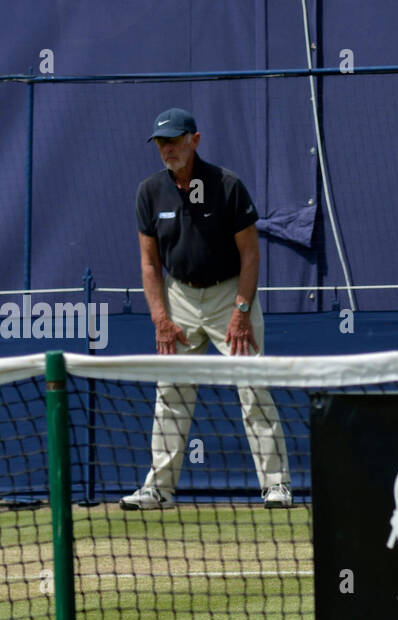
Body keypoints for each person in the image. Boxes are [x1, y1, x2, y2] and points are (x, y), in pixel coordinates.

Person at [120, 107, 291, 510]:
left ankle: (277, 485)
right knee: (172, 392)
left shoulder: (227, 186)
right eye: (161, 143)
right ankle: (159, 490)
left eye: (175, 141)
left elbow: (250, 255)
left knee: (253, 388)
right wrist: (161, 318)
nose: (167, 150)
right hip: (177, 296)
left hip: (228, 296)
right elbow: (149, 263)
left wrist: (241, 310)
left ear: (195, 140)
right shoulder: (149, 192)